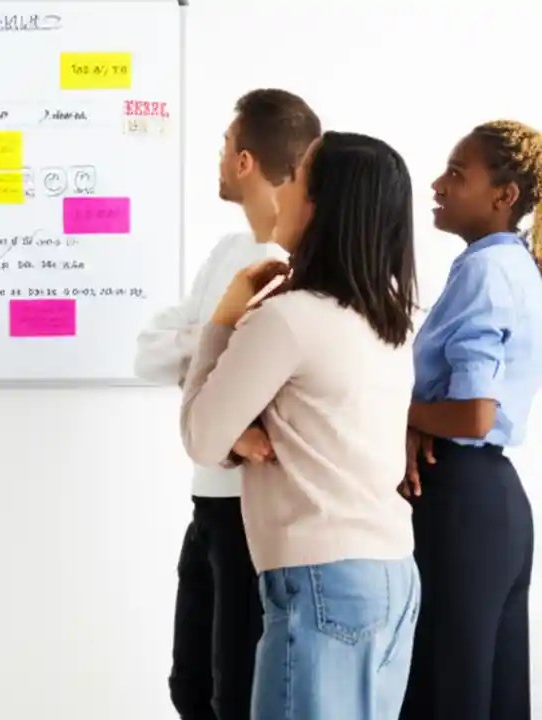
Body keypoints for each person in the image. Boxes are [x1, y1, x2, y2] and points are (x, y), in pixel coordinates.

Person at [180, 131, 421, 719]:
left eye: (298, 180)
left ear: (323, 204)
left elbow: (200, 435)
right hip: (392, 575)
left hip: (319, 582)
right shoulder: (389, 320)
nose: (282, 192)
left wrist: (223, 319)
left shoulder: (286, 319)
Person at [133, 88, 320, 719]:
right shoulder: (227, 254)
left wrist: (211, 358)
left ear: (244, 161)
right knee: (191, 687)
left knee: (232, 691)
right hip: (208, 497)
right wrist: (216, 343)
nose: (217, 156)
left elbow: (263, 380)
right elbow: (150, 354)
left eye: (223, 145)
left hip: (254, 508)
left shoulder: (295, 263)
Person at [400, 120, 542, 720]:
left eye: (457, 175)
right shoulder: (516, 267)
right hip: (494, 506)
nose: (437, 184)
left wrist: (397, 413)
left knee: (444, 693)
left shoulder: (485, 269)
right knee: (492, 694)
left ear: (503, 196)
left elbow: (475, 413)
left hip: (459, 499)